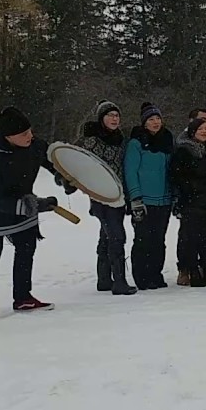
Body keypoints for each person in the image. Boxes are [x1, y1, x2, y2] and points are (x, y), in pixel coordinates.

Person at [0, 107, 74, 320]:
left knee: (26, 247)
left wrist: (65, 178)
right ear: (8, 136)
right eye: (24, 134)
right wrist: (33, 205)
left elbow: (52, 161)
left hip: (22, 199)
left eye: (30, 131)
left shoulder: (33, 146)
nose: (30, 136)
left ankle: (23, 297)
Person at [74, 100, 136, 295]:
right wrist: (71, 182)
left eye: (117, 115)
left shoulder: (121, 139)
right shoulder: (90, 140)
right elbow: (73, 162)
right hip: (100, 195)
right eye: (110, 115)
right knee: (117, 236)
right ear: (102, 118)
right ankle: (119, 281)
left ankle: (103, 279)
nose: (114, 119)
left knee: (106, 235)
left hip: (118, 195)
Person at [124, 102, 175, 290]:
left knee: (159, 239)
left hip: (164, 199)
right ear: (144, 123)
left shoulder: (167, 141)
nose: (155, 122)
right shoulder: (136, 143)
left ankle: (156, 273)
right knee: (143, 239)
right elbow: (130, 171)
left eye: (158, 119)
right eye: (151, 119)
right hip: (144, 200)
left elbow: (172, 170)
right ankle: (141, 276)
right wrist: (135, 198)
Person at [169, 118, 206, 287]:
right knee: (192, 239)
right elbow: (177, 176)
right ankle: (193, 271)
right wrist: (189, 191)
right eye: (200, 129)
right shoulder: (183, 151)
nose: (203, 132)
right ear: (192, 132)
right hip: (192, 201)